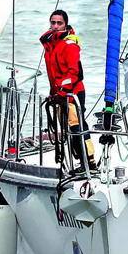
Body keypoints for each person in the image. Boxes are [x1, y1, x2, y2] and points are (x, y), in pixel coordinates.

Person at [40, 9, 96, 172]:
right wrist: (53, 93)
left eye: (59, 23)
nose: (55, 26)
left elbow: (74, 73)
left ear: (65, 25)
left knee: (77, 127)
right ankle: (80, 161)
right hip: (60, 95)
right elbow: (54, 73)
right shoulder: (50, 45)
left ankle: (89, 163)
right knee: (68, 129)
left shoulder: (69, 45)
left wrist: (62, 92)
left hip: (73, 94)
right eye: (53, 22)